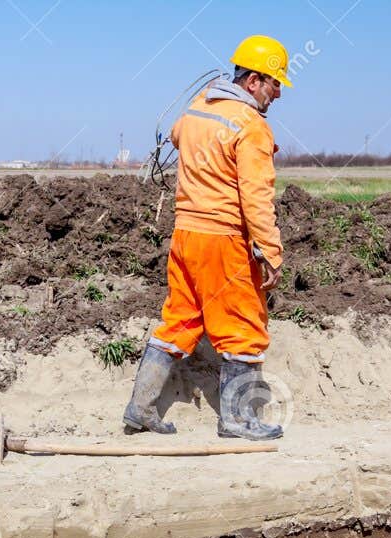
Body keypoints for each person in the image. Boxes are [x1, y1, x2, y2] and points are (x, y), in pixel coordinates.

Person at [122, 34, 292, 441]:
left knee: (179, 320)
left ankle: (140, 408)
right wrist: (270, 251)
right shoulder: (251, 127)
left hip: (185, 235)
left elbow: (177, 136)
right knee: (242, 328)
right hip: (223, 241)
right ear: (252, 81)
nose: (279, 93)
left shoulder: (198, 108)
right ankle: (238, 420)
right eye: (274, 83)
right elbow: (256, 198)